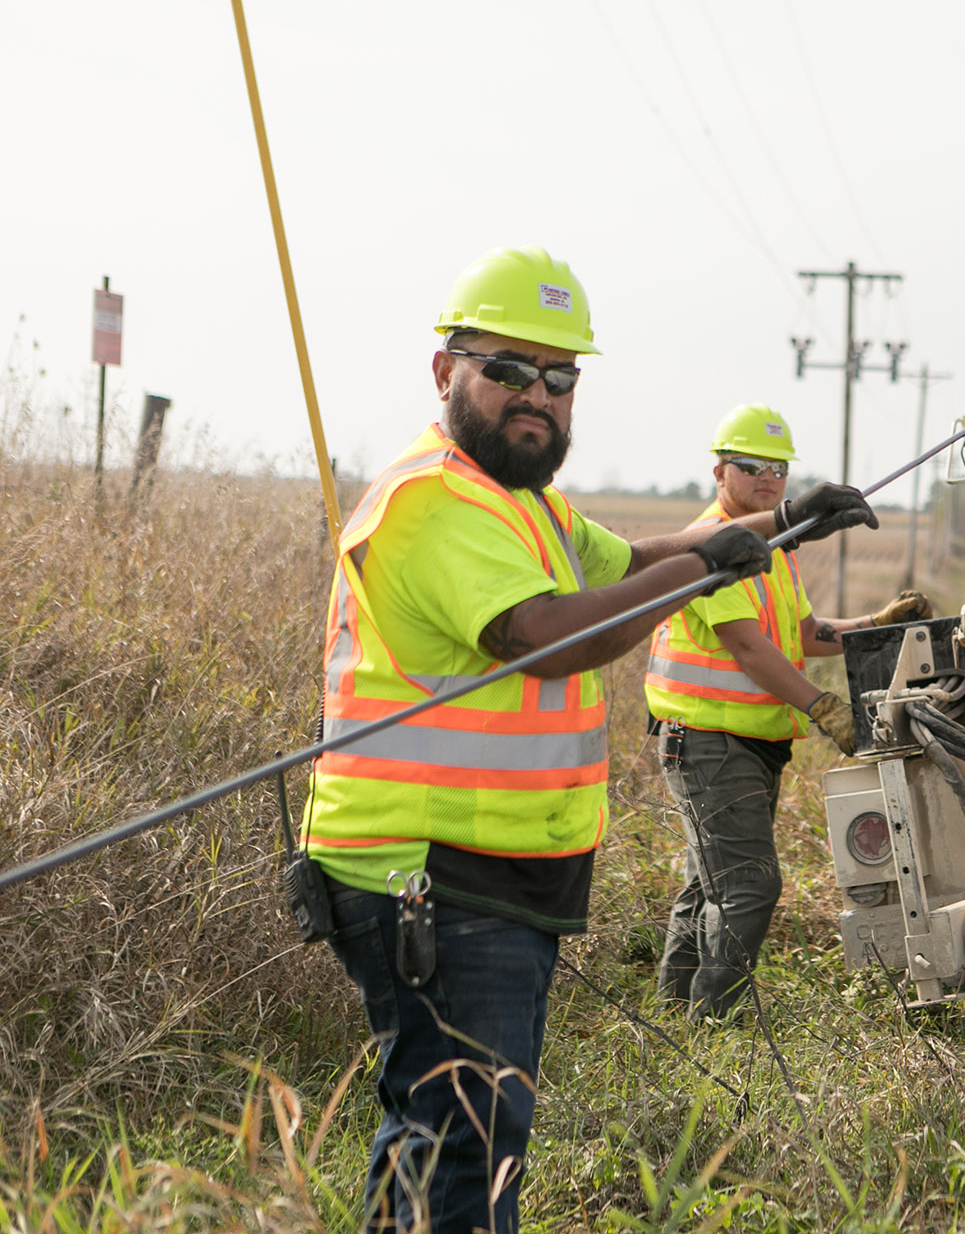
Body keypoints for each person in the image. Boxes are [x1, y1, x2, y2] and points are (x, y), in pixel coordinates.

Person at [301, 247, 876, 1233]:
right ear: (446, 372)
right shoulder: (432, 499)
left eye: (559, 376)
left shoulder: (522, 499)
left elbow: (631, 558)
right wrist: (706, 570)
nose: (538, 394)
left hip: (490, 876)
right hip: (427, 873)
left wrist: (780, 525)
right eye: (509, 369)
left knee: (445, 1132)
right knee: (467, 1145)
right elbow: (544, 634)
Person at [645, 403, 930, 1018]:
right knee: (749, 886)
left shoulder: (773, 549)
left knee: (710, 886)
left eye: (777, 467)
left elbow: (800, 634)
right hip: (707, 741)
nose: (767, 478)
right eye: (750, 465)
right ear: (720, 472)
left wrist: (872, 625)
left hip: (746, 742)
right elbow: (748, 646)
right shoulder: (712, 549)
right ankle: (713, 1023)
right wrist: (824, 707)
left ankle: (672, 1016)